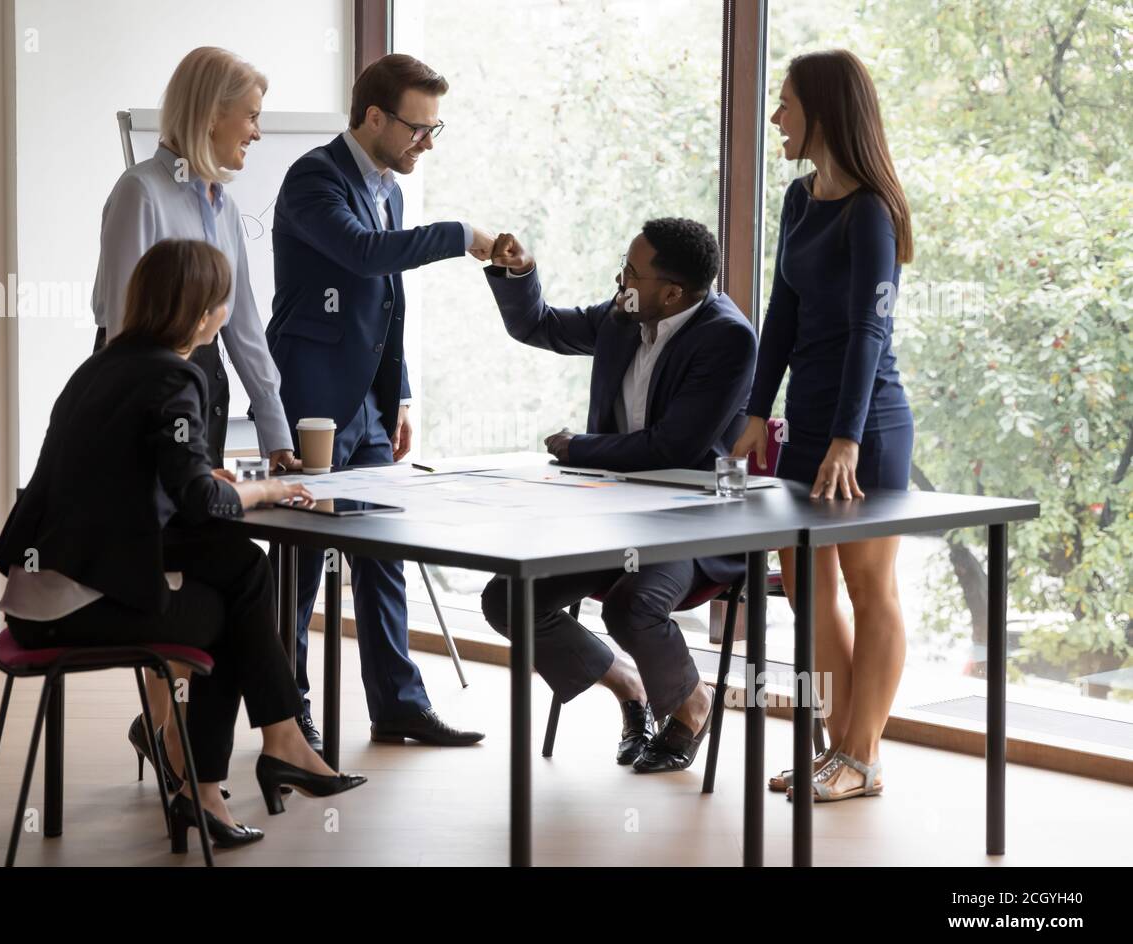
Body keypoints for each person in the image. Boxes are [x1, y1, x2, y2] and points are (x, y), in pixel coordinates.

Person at [0, 239, 365, 853]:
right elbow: (196, 502)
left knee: (241, 565)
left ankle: (268, 750)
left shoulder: (104, 364)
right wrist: (261, 489)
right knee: (223, 611)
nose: (227, 312)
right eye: (224, 302)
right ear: (201, 315)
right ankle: (236, 769)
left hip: (39, 592)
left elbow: (134, 476)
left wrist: (206, 480)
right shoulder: (173, 374)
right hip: (70, 609)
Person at [266, 53, 495, 748]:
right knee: (301, 565)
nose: (426, 142)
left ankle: (397, 705)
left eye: (435, 129)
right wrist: (462, 237)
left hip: (367, 403)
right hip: (312, 403)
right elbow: (364, 254)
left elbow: (387, 300)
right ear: (373, 117)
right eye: (419, 129)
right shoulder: (314, 177)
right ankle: (287, 710)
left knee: (382, 554)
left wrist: (398, 395)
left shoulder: (388, 187)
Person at [478, 220, 756, 772]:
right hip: (609, 515)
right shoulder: (625, 313)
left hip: (690, 520)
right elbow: (539, 325)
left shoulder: (727, 337)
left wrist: (577, 447)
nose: (621, 280)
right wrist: (520, 273)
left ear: (673, 292)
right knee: (507, 598)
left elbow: (671, 447)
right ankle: (628, 686)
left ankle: (691, 705)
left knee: (634, 606)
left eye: (631, 271)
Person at [731, 49, 915, 802]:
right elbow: (781, 311)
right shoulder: (801, 200)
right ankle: (839, 748)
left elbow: (870, 333)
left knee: (872, 589)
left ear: (824, 111)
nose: (776, 117)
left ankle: (860, 757)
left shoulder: (871, 208)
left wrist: (845, 437)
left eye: (785, 104)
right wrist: (754, 410)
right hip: (805, 424)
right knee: (809, 592)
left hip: (866, 426)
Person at [91, 46, 296, 472]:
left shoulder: (226, 207)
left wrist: (276, 436)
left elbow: (243, 325)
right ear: (211, 115)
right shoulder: (140, 192)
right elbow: (127, 330)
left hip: (204, 393)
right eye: (252, 116)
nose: (258, 133)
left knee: (209, 529)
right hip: (146, 398)